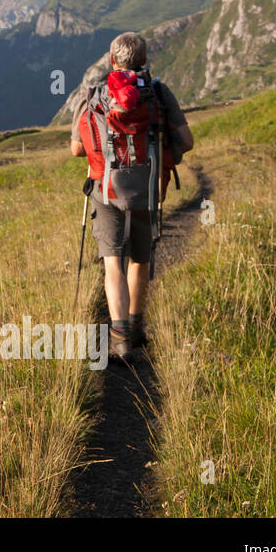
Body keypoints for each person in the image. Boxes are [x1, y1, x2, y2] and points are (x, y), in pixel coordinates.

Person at [69, 32, 194, 360]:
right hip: (148, 188)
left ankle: (120, 339)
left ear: (113, 61)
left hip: (105, 191)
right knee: (140, 259)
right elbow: (187, 140)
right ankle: (137, 334)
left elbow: (76, 149)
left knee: (113, 262)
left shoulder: (94, 94)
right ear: (145, 61)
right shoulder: (158, 92)